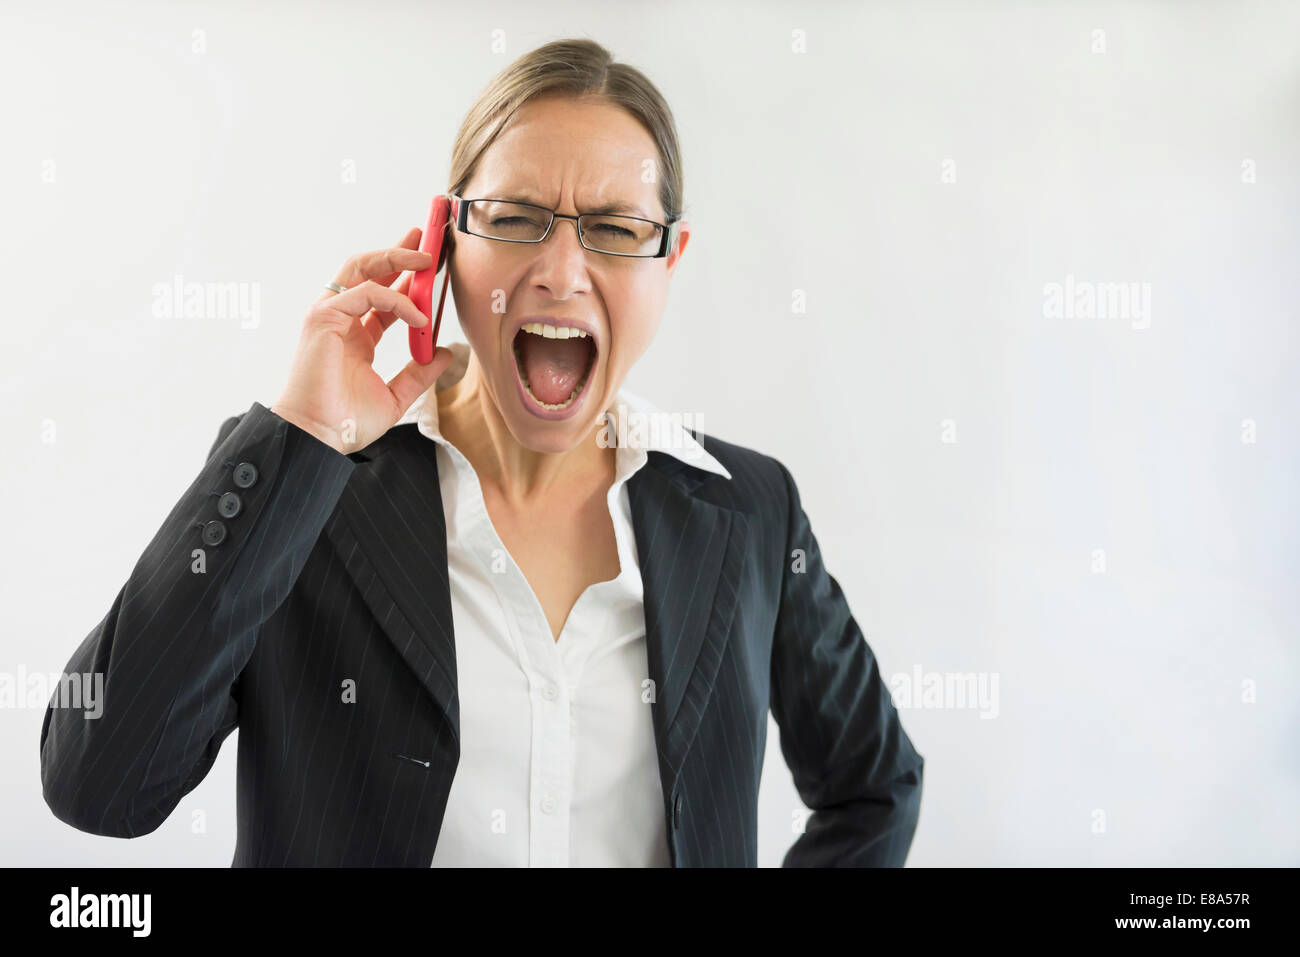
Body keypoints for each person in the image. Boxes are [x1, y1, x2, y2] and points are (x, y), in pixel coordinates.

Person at [39, 37, 923, 867]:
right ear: (445, 239)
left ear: (670, 262)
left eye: (615, 228)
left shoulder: (750, 510)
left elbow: (874, 788)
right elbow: (99, 782)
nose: (562, 272)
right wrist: (302, 438)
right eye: (516, 217)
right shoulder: (305, 487)